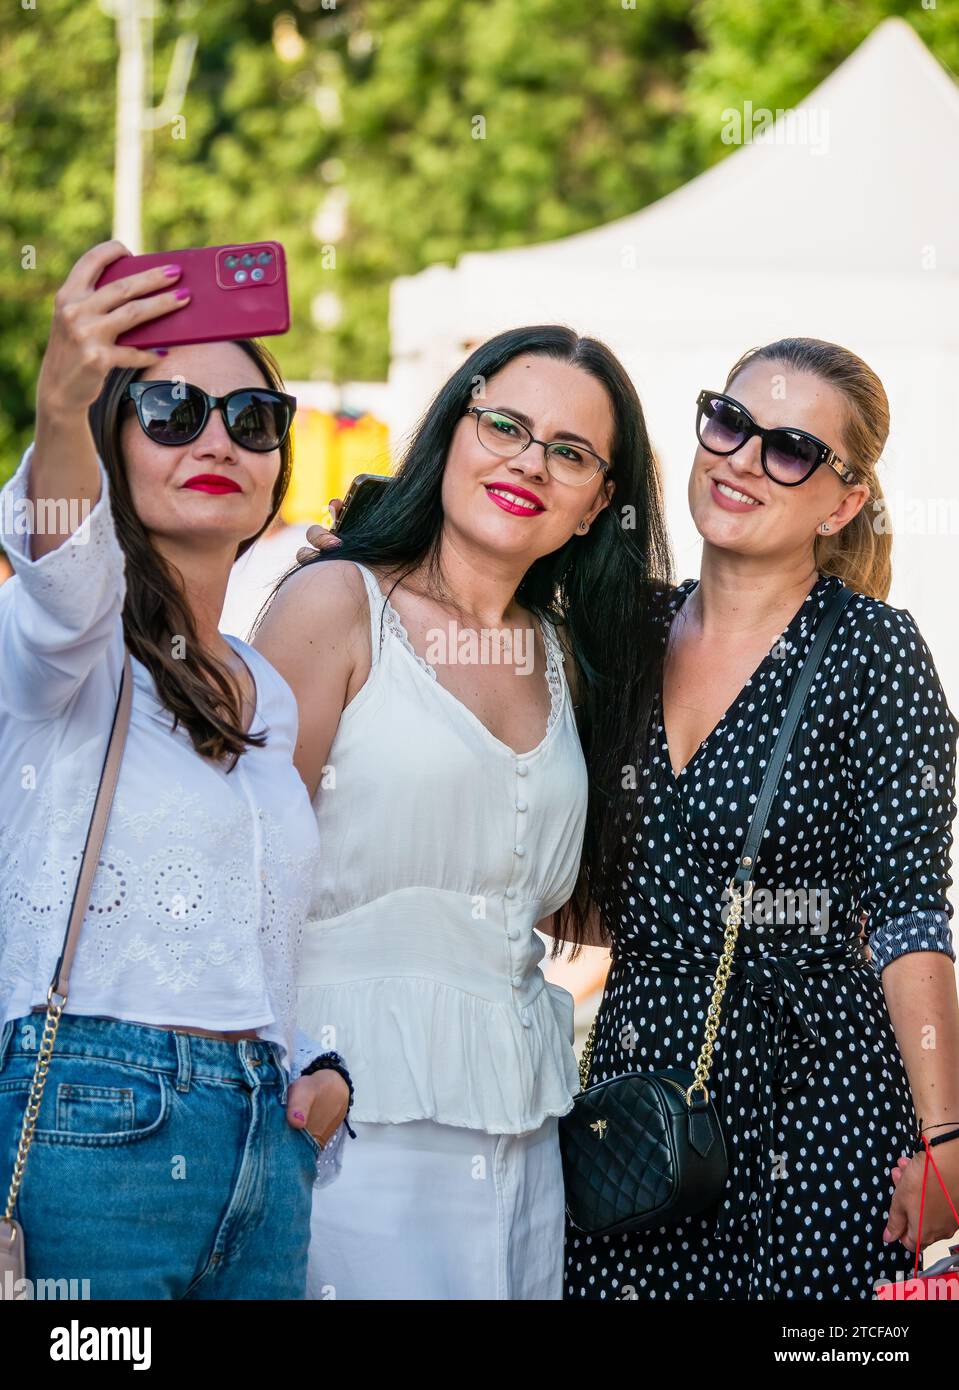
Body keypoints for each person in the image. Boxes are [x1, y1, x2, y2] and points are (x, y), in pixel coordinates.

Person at [252, 324, 672, 1299]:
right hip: (345, 1105)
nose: (528, 460)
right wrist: (279, 1077)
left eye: (568, 452)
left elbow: (548, 895)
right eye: (505, 425)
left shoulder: (572, 660)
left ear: (595, 505)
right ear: (453, 430)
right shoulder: (335, 605)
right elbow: (240, 863)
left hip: (524, 1130)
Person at [562, 338, 959, 1299]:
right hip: (641, 1100)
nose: (740, 458)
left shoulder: (871, 650)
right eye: (729, 423)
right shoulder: (623, 629)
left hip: (818, 1102)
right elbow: (566, 890)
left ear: (843, 501)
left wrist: (946, 1141)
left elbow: (909, 915)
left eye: (787, 448)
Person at [0, 240, 352, 1299]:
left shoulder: (264, 686)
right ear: (112, 439)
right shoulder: (65, 651)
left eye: (252, 420)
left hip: (266, 1137)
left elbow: (264, 928)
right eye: (169, 411)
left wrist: (317, 1063)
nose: (216, 440)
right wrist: (60, 405)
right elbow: (61, 570)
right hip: (94, 1124)